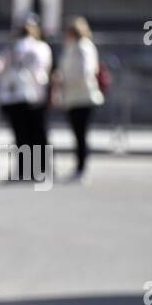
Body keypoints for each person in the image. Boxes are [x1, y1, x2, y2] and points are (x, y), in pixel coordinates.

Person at [0, 15, 52, 183]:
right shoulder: (40, 48)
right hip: (35, 96)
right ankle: (39, 171)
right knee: (37, 136)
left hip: (14, 98)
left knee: (21, 137)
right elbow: (43, 71)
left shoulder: (11, 49)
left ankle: (24, 170)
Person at [52, 16, 104, 184]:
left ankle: (82, 169)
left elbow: (85, 72)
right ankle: (78, 167)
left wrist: (64, 79)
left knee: (81, 135)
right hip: (72, 97)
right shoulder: (71, 47)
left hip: (83, 97)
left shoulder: (84, 47)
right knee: (77, 135)